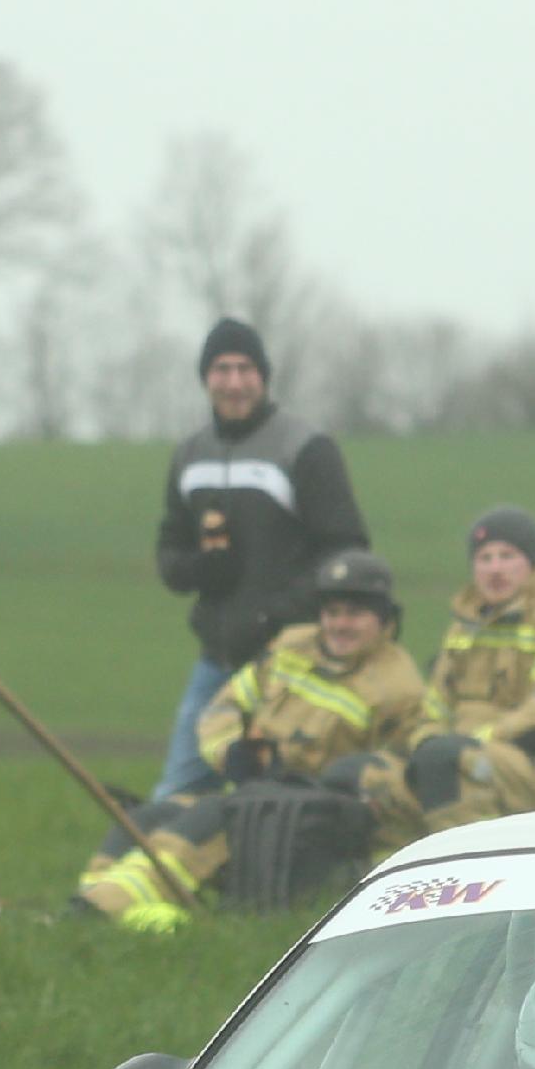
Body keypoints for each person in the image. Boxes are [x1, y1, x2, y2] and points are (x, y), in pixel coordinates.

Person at [74, 550, 434, 935]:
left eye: (355, 614)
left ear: (384, 620)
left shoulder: (400, 688)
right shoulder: (292, 646)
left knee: (204, 825)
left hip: (309, 826)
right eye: (331, 612)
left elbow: (392, 788)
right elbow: (226, 705)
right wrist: (230, 752)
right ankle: (98, 901)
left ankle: (95, 913)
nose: (339, 625)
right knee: (150, 818)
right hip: (252, 796)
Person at [152, 318, 366, 799]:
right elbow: (169, 550)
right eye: (221, 369)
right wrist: (197, 571)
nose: (233, 382)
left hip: (291, 664)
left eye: (245, 368)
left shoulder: (305, 448)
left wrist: (277, 614)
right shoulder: (190, 455)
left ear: (264, 376)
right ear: (205, 378)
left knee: (279, 796)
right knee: (176, 795)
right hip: (217, 660)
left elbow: (346, 553)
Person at [380, 506, 535, 837]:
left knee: (448, 763)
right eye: (485, 558)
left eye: (507, 556)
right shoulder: (465, 626)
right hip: (474, 759)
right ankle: (391, 883)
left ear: (533, 562)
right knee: (370, 778)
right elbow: (434, 710)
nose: (495, 569)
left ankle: (471, 873)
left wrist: (472, 743)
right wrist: (427, 743)